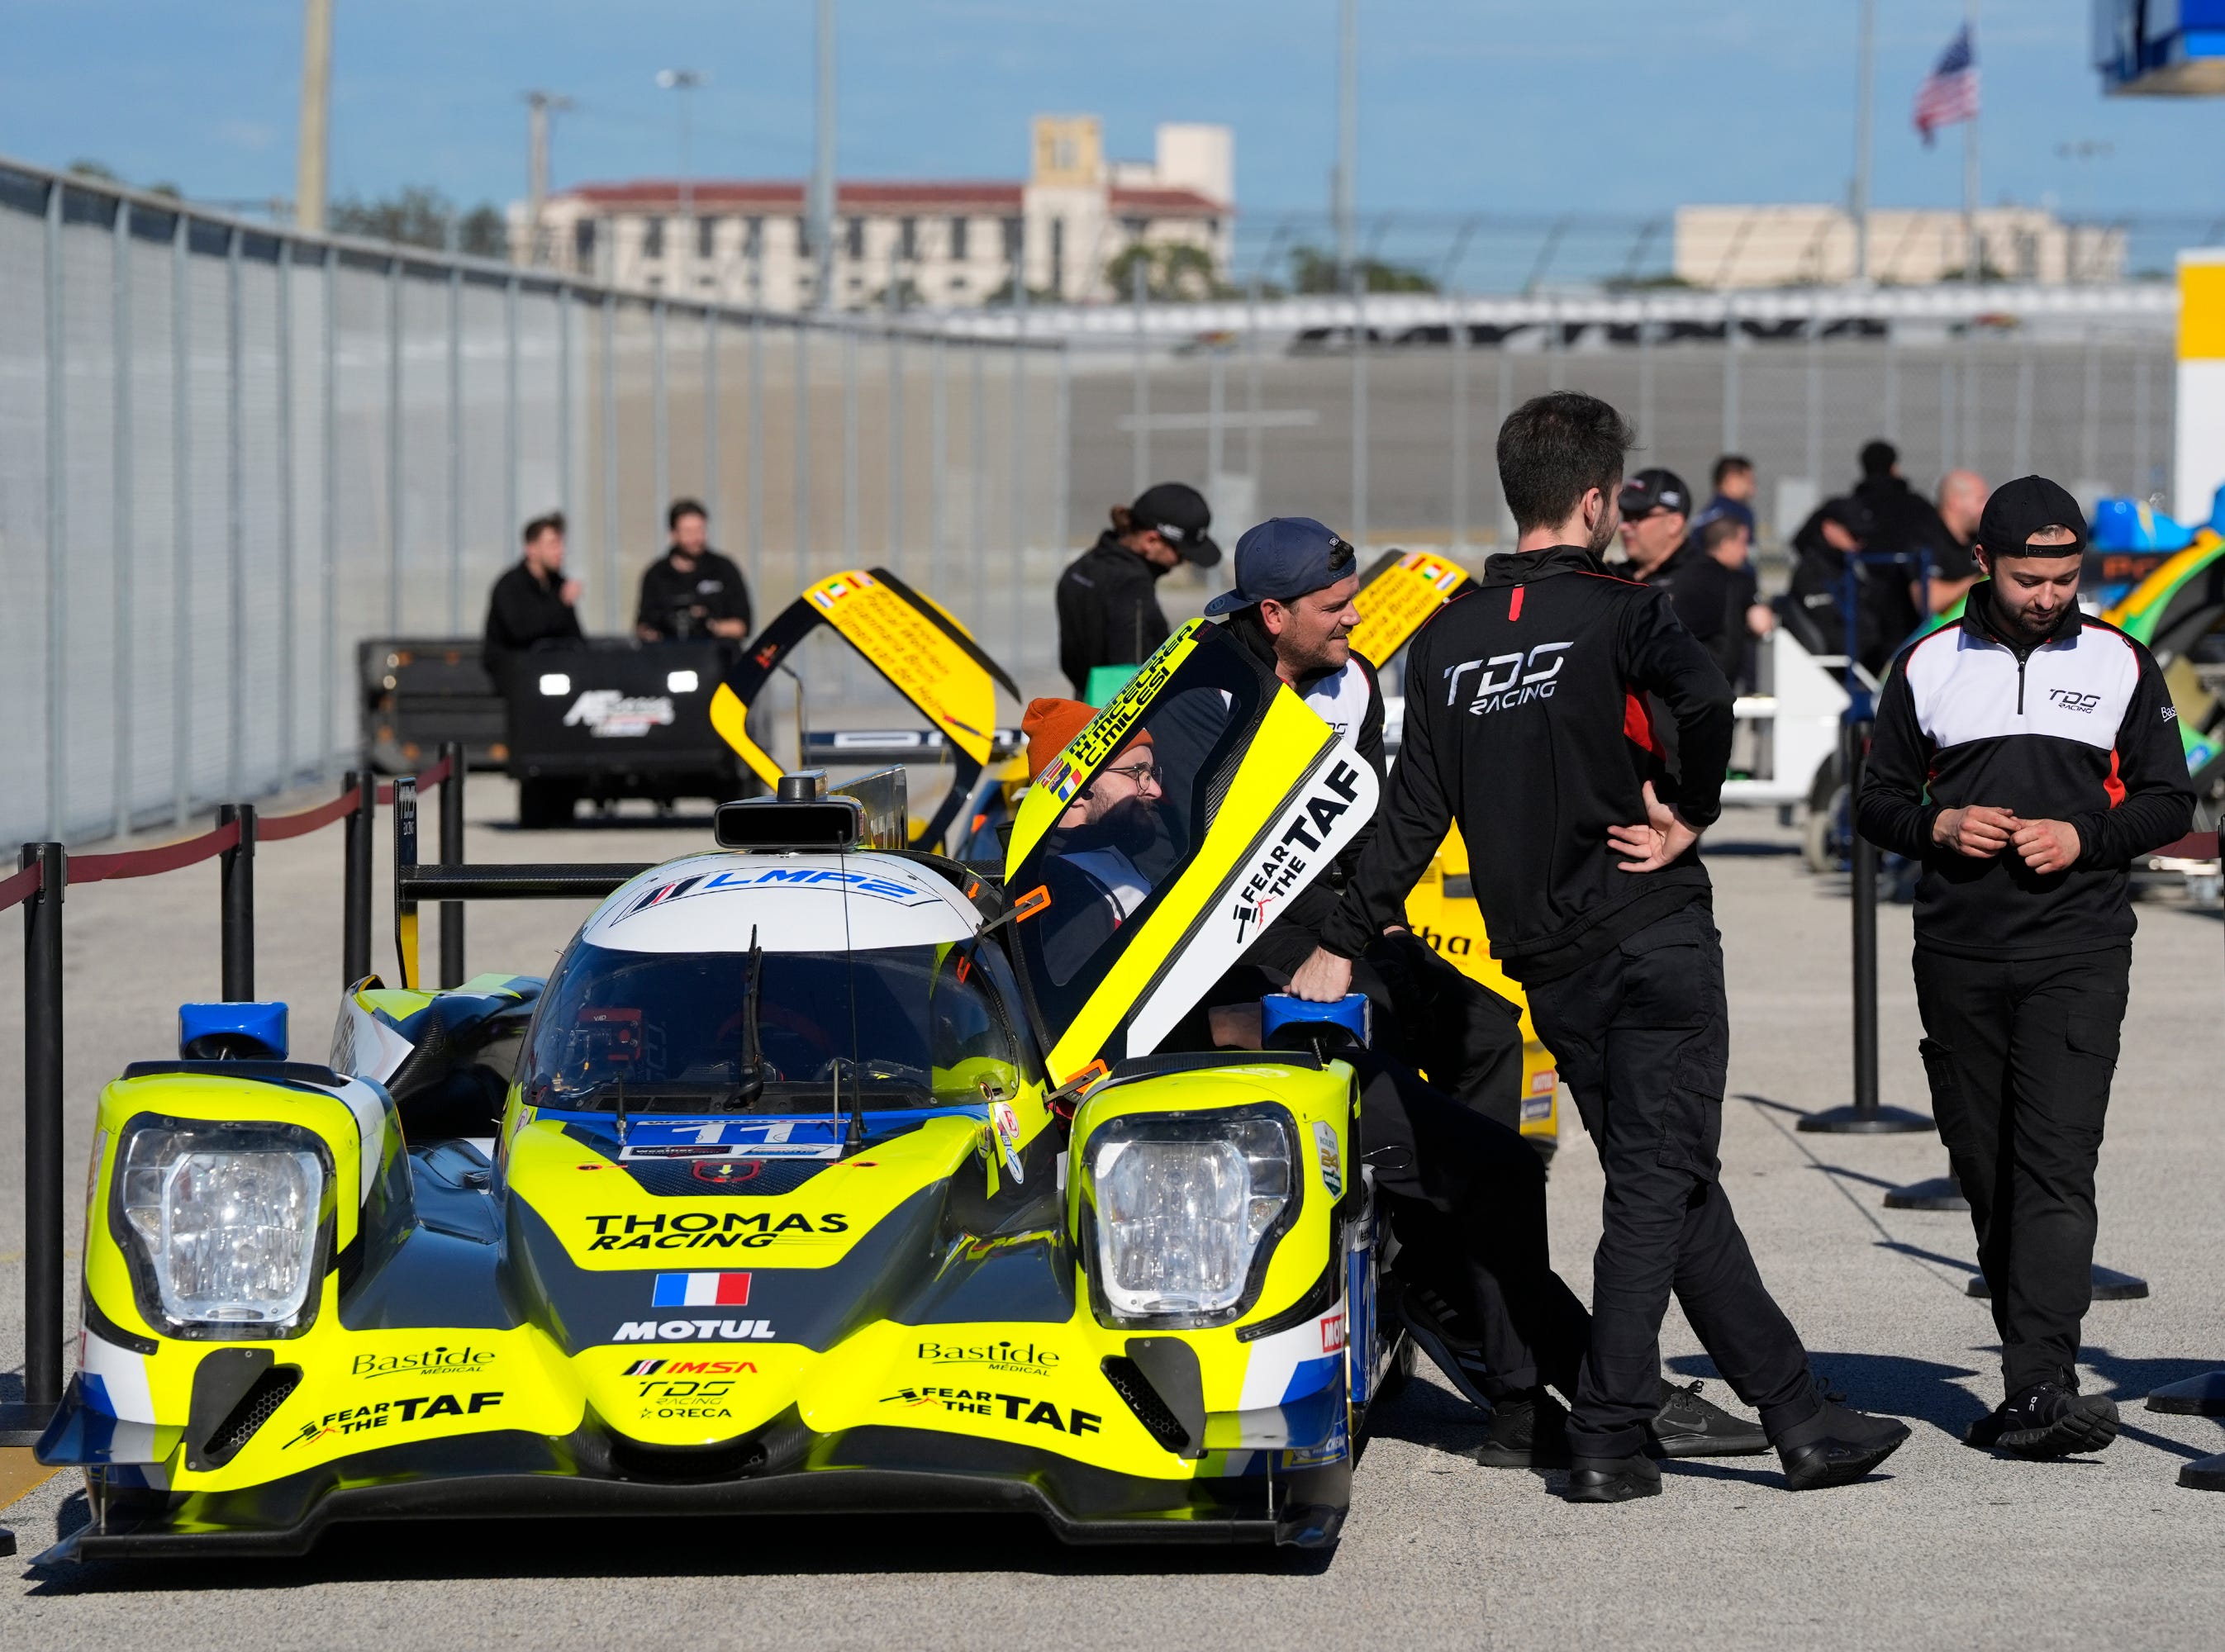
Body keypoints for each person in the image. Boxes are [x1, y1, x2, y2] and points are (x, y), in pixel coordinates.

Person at [1288, 390, 1910, 1502]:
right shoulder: (1626, 610)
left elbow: (1408, 817)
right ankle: (1612, 1432)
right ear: (1595, 499)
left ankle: (1801, 1414)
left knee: (1670, 1183)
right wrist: (1692, 807)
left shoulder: (1445, 639)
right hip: (1649, 930)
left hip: (1550, 962)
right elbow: (1710, 692)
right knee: (1652, 1184)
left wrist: (1338, 941)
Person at [1018, 694, 1766, 1472]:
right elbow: (1120, 1034)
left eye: (1153, 772)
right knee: (1493, 1173)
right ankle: (1576, 1396)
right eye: (1135, 773)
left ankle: (1540, 1385)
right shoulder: (1072, 888)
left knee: (1472, 1130)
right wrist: (1279, 1020)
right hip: (1226, 1095)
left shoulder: (1118, 861)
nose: (1153, 788)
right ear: (1074, 791)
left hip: (1262, 1068)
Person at [1856, 476, 2193, 1460]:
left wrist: (2080, 837)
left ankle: (2039, 1381)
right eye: (2026, 576)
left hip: (2076, 951)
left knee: (2053, 1163)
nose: (2048, 594)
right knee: (1984, 1168)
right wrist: (1937, 824)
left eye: (2063, 576)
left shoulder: (2120, 659)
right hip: (1956, 950)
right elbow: (1875, 802)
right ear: (1982, 564)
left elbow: (2167, 802)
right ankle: (2029, 1367)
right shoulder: (1923, 663)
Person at [1201, 515, 1528, 1129]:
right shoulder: (1200, 691)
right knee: (1379, 1038)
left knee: (1485, 1036)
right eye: (1334, 607)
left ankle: (1468, 1215)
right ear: (1273, 615)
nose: (1354, 618)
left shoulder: (1353, 681)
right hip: (1234, 922)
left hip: (1338, 911)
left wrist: (1387, 924)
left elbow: (1365, 829)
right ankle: (1388, 1212)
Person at [1055, 483, 1220, 698]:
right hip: (1118, 721)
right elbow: (1133, 679)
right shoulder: (1132, 587)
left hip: (1082, 705)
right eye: (1182, 553)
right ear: (1151, 541)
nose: (1185, 562)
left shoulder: (1080, 568)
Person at [1618, 468, 1741, 690]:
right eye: (1625, 516)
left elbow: (1649, 639)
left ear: (1674, 522)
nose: (1625, 527)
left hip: (1678, 718)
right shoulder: (1617, 574)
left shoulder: (1704, 576)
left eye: (1638, 517)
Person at [1854, 439, 1952, 647]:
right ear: (1894, 467)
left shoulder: (1853, 506)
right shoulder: (1918, 506)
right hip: (1909, 598)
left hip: (1863, 598)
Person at [1785, 496, 1886, 672]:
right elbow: (1832, 634)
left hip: (1856, 669)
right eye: (1854, 535)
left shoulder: (1847, 568)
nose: (1860, 543)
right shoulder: (1811, 574)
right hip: (1835, 675)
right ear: (1829, 529)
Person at [483, 511, 583, 686]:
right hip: (518, 676)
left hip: (556, 672)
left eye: (561, 544)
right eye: (553, 544)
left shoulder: (559, 585)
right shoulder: (509, 585)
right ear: (532, 549)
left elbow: (575, 637)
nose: (560, 551)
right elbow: (522, 632)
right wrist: (561, 604)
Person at [635, 498, 752, 643]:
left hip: (716, 659)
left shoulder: (723, 569)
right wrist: (666, 627)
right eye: (688, 531)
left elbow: (742, 627)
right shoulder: (656, 574)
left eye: (700, 530)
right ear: (673, 534)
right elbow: (642, 627)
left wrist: (707, 625)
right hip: (669, 659)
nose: (695, 538)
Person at [1927, 468, 1989, 614]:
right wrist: (1981, 580)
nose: (1986, 506)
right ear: (1955, 502)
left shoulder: (1982, 537)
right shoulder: (1927, 539)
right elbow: (1931, 600)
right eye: (1980, 499)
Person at [1686, 453, 1758, 546]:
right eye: (1749, 481)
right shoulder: (1737, 513)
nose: (1753, 488)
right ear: (1731, 479)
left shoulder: (1706, 515)